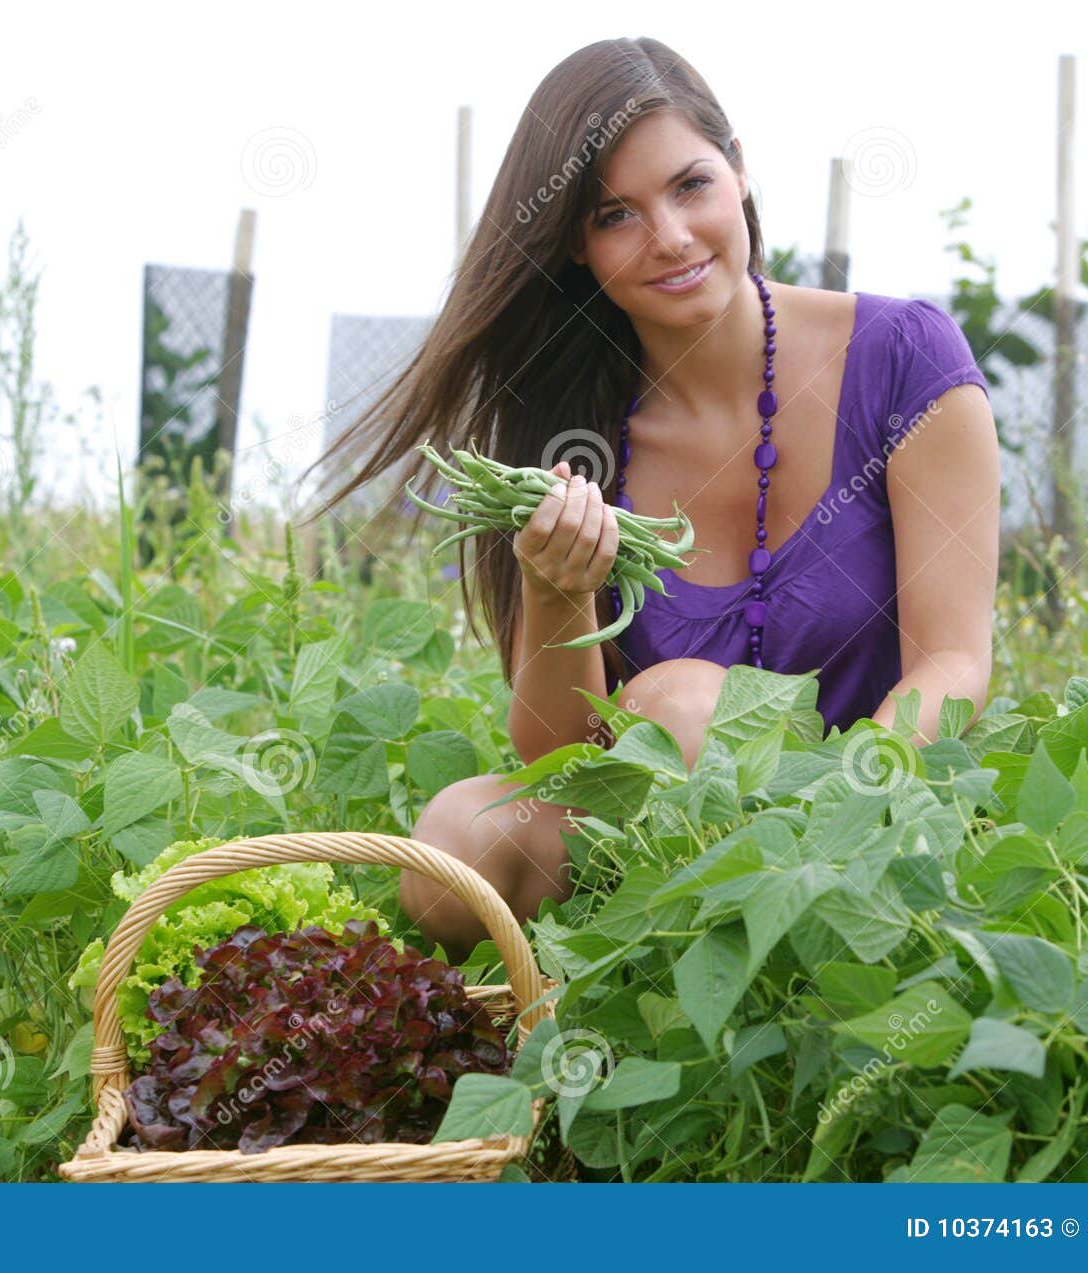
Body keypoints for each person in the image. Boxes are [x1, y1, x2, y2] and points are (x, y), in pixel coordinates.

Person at [301, 38, 999, 964]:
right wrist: (557, 587)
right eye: (616, 215)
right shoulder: (572, 429)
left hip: (873, 823)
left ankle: (749, 954)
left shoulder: (904, 359)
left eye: (690, 186)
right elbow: (561, 755)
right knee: (453, 844)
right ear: (579, 250)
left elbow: (953, 664)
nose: (669, 237)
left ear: (740, 172)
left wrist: (841, 806)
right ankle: (664, 954)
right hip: (669, 841)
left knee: (685, 701)